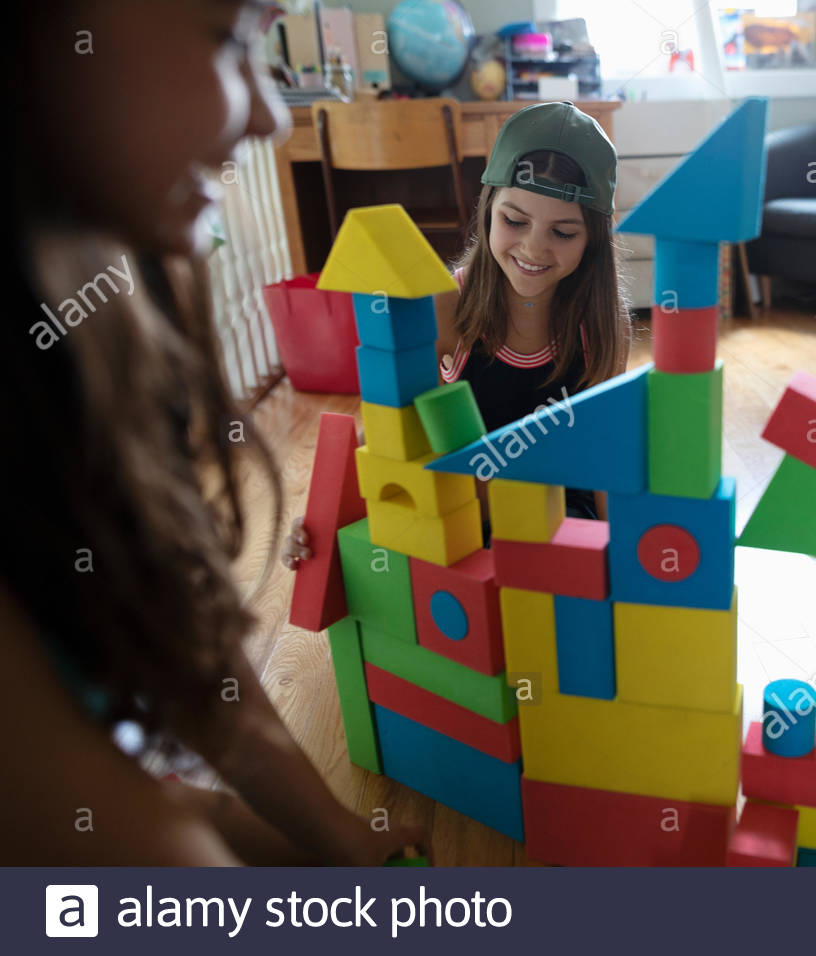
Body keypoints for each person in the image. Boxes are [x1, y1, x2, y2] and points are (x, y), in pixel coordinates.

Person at [2, 0, 427, 865]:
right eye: (235, 40)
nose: (272, 115)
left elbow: (194, 659)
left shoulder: (107, 308)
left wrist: (336, 834)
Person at [283, 102, 630, 568]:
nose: (533, 247)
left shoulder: (606, 326)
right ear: (489, 208)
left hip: (561, 519)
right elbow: (393, 435)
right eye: (514, 221)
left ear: (593, 241)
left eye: (563, 232)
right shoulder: (445, 307)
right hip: (464, 520)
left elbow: (607, 452)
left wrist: (624, 560)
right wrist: (321, 518)